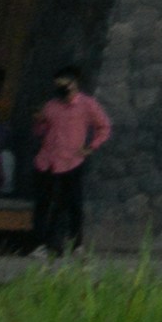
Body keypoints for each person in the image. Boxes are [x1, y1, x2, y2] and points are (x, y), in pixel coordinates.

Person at [25, 68, 114, 255]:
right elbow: (40, 132)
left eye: (64, 84)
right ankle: (39, 244)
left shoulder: (87, 104)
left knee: (73, 203)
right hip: (47, 161)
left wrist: (91, 147)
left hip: (71, 161)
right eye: (57, 85)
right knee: (43, 204)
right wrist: (39, 122)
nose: (60, 89)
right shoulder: (51, 105)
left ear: (74, 84)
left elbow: (104, 127)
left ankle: (76, 243)